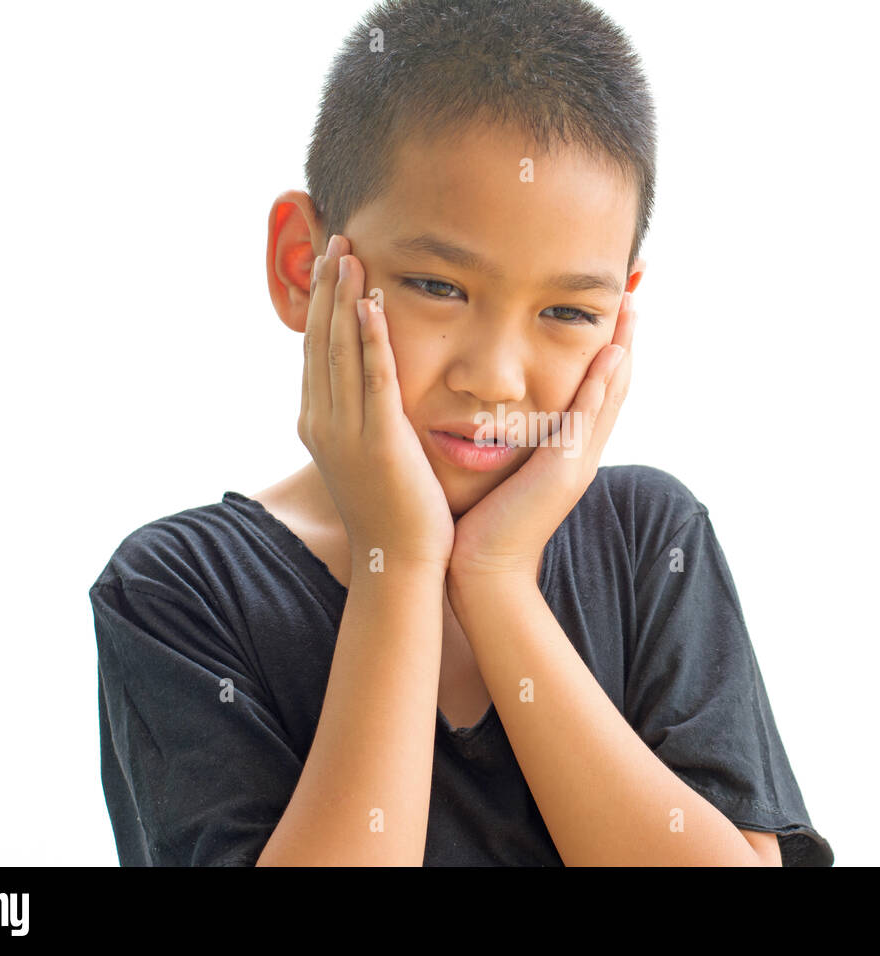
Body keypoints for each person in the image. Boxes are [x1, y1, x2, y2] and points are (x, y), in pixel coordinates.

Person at [90, 0, 834, 867]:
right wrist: (399, 563)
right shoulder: (181, 589)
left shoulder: (648, 543)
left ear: (622, 312)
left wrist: (497, 578)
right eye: (439, 287)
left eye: (566, 310)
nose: (497, 377)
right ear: (305, 264)